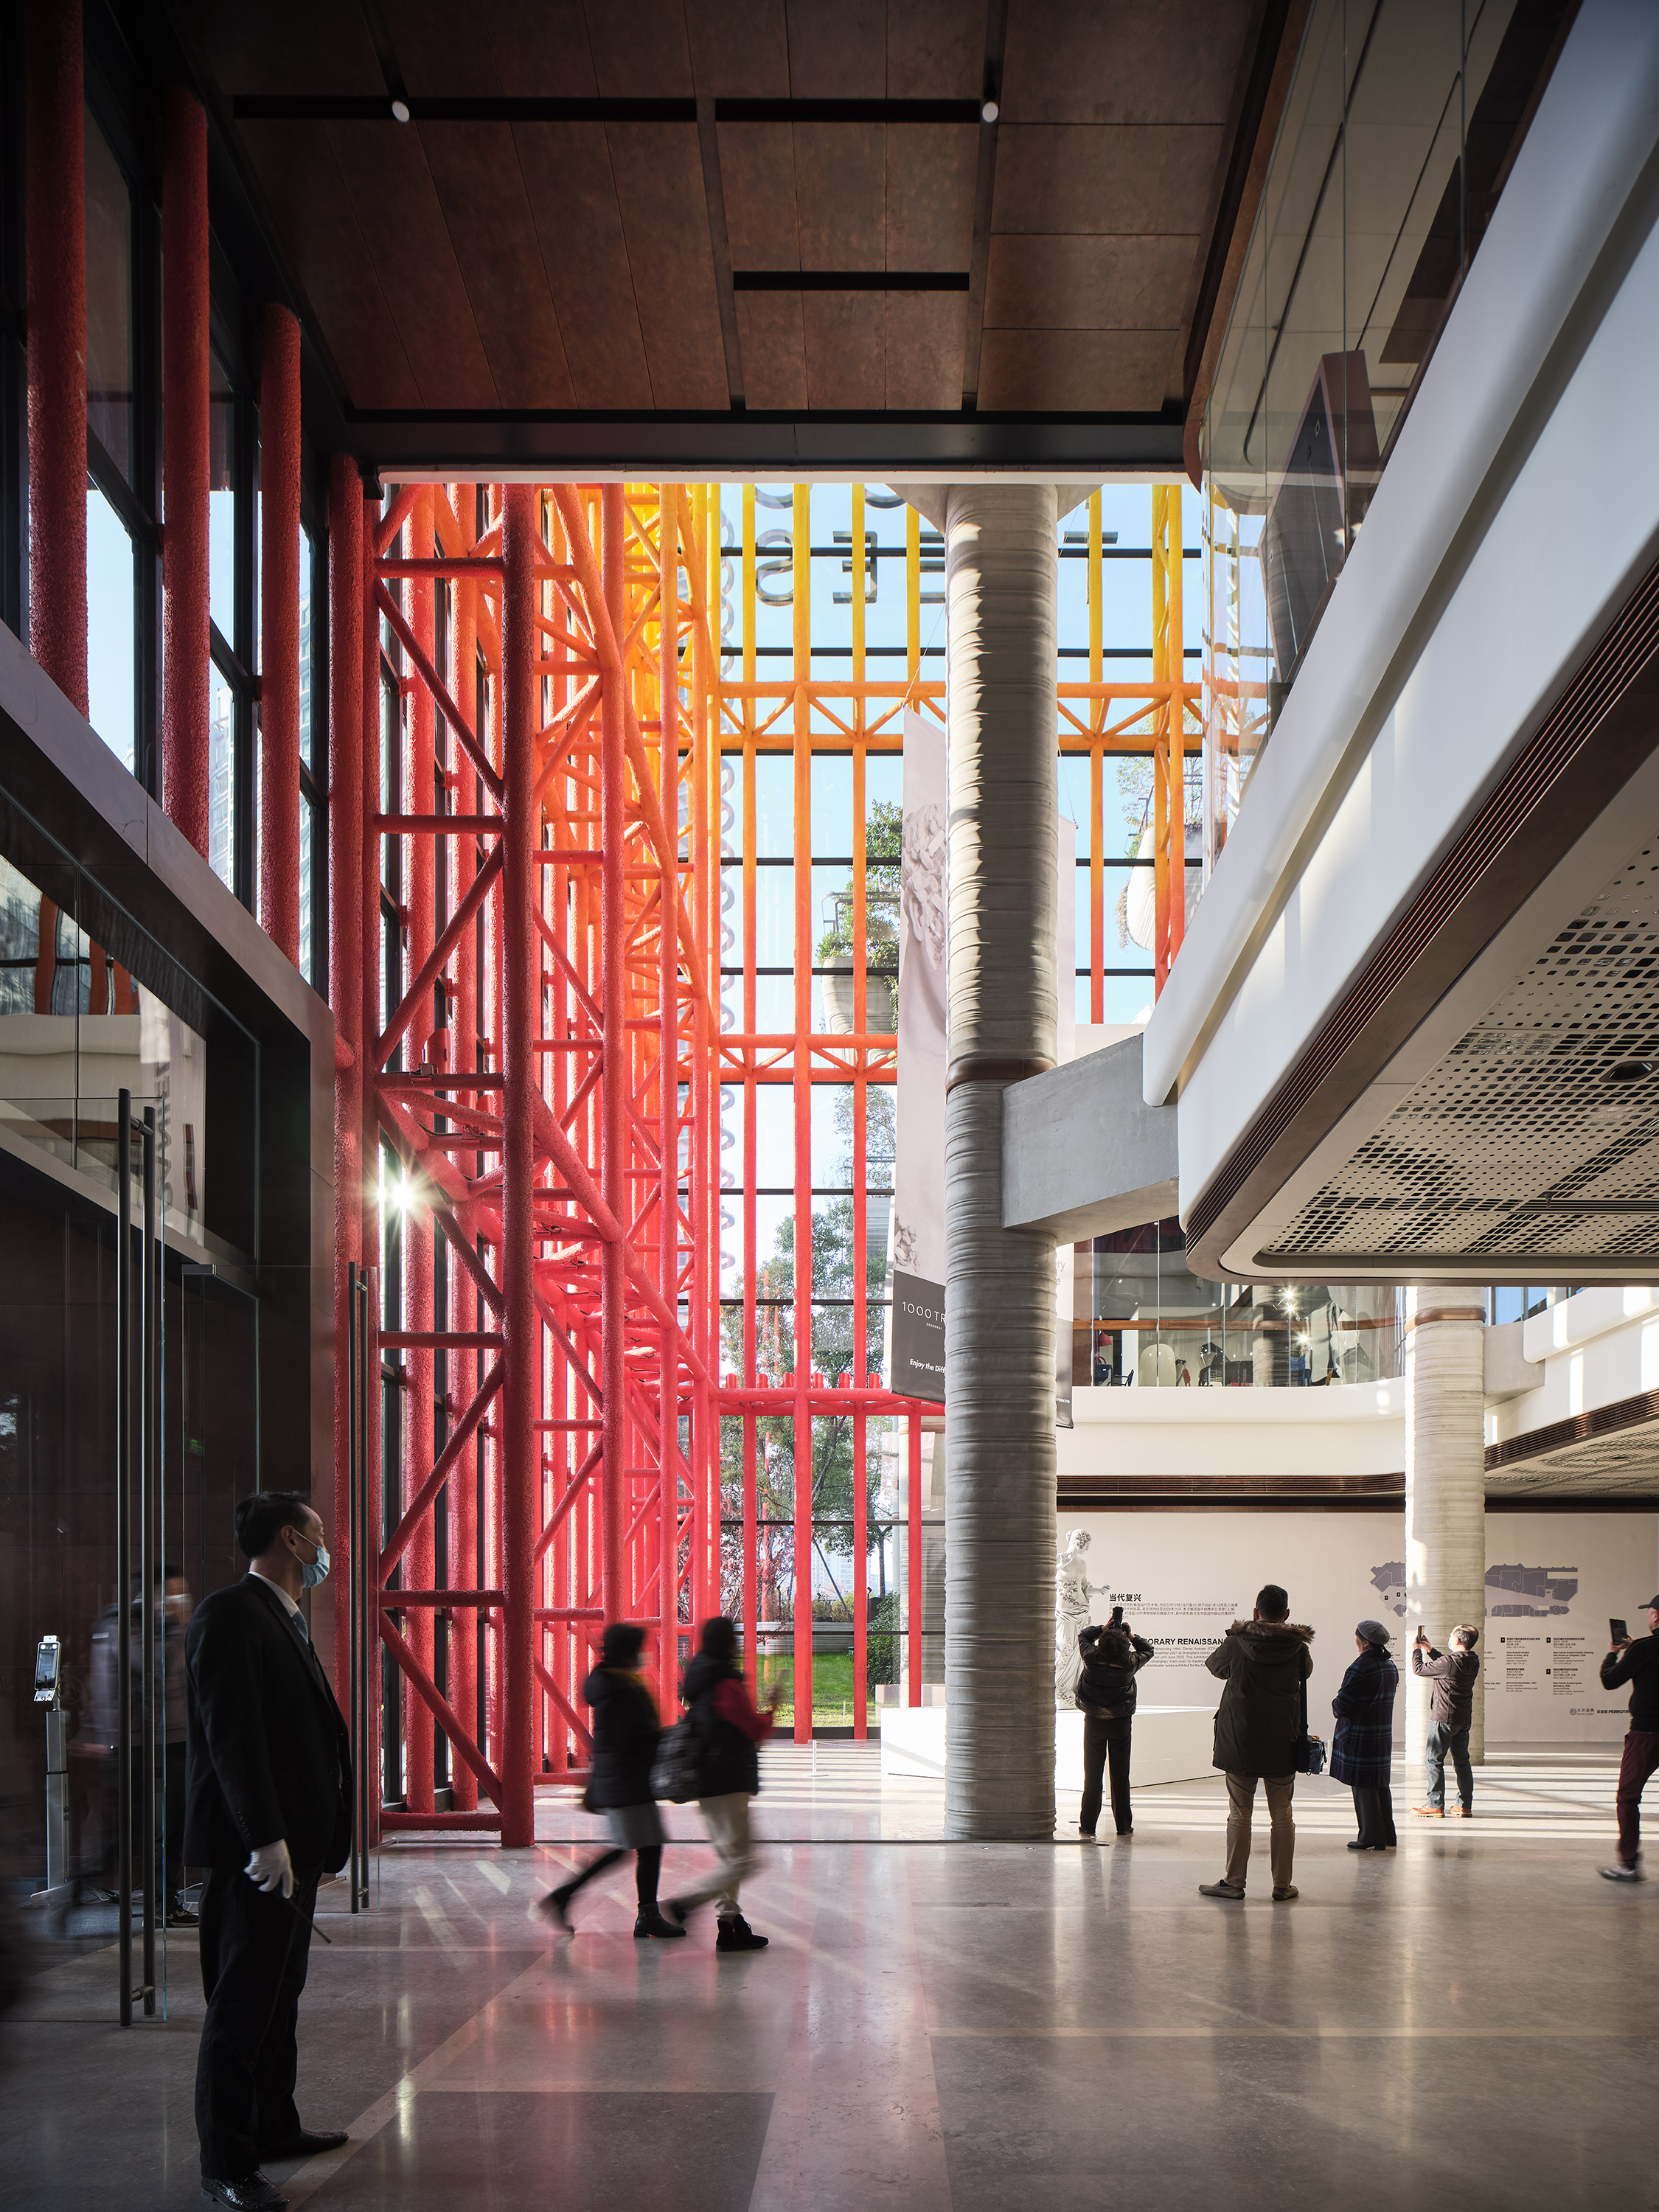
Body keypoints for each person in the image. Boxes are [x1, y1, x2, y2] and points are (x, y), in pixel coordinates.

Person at [185, 1494, 352, 2211]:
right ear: (290, 1538)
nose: (324, 1547)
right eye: (318, 1535)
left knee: (280, 1996)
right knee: (242, 2007)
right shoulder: (231, 1615)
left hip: (296, 1852)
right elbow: (234, 1738)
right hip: (260, 1853)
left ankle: (272, 2125)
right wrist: (264, 1837)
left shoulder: (281, 1618)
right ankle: (227, 2160)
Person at [541, 1623, 684, 1939]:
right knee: (644, 1846)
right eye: (640, 1650)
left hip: (621, 1777)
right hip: (628, 1780)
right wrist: (670, 1736)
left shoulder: (610, 1683)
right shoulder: (623, 1689)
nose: (644, 1655)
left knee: (635, 1846)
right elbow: (633, 1738)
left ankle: (570, 1897)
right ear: (628, 1653)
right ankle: (645, 1914)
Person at [666, 1617, 779, 1950]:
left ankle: (729, 1927)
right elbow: (752, 1729)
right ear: (727, 1642)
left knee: (730, 1857)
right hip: (728, 1778)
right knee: (745, 1861)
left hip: (707, 1779)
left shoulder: (700, 1677)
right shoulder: (725, 1681)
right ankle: (688, 1902)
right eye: (735, 1638)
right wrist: (772, 1708)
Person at [1198, 1583, 1313, 1904]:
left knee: (1239, 1815)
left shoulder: (1236, 1643)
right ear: (1286, 1615)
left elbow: (1213, 1666)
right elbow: (1307, 1674)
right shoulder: (1298, 1649)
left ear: (1255, 1612)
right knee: (1283, 1816)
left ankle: (1234, 1883)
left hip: (1240, 1741)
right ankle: (1283, 1885)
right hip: (1282, 1743)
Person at [1074, 1615, 1154, 1840]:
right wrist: (1132, 1636)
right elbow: (1148, 1650)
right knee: (1120, 1775)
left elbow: (1083, 1635)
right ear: (1125, 1646)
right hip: (1120, 1723)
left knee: (1092, 1776)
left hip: (1094, 1722)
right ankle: (1123, 1827)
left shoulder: (1091, 1657)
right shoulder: (1130, 1662)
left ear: (1101, 1643)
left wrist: (1102, 1628)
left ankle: (1088, 1826)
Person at [1598, 1595, 1659, 1882]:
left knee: (1628, 1797)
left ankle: (1629, 1864)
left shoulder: (1643, 1648)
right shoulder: (1641, 1648)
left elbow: (1610, 1681)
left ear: (1656, 1617)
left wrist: (1614, 1653)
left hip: (1647, 1732)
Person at [1332, 1620, 1399, 1851]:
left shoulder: (1360, 1667)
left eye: (1357, 1637)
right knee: (1380, 1785)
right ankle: (1388, 1835)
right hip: (1381, 1734)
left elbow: (1343, 1704)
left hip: (1360, 1734)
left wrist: (1335, 1705)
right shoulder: (1389, 1665)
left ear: (1365, 1642)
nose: (1356, 1641)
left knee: (1363, 1786)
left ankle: (1370, 1837)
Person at [1411, 1622, 1481, 1819]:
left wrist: (1417, 1651)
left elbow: (1419, 1669)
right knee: (1462, 1762)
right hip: (1463, 1718)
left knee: (1434, 1760)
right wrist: (1431, 1650)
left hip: (1444, 1718)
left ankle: (1435, 1804)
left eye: (1451, 1636)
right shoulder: (1473, 1660)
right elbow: (1447, 1665)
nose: (1450, 1639)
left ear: (1457, 1640)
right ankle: (1464, 1805)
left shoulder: (1449, 1662)